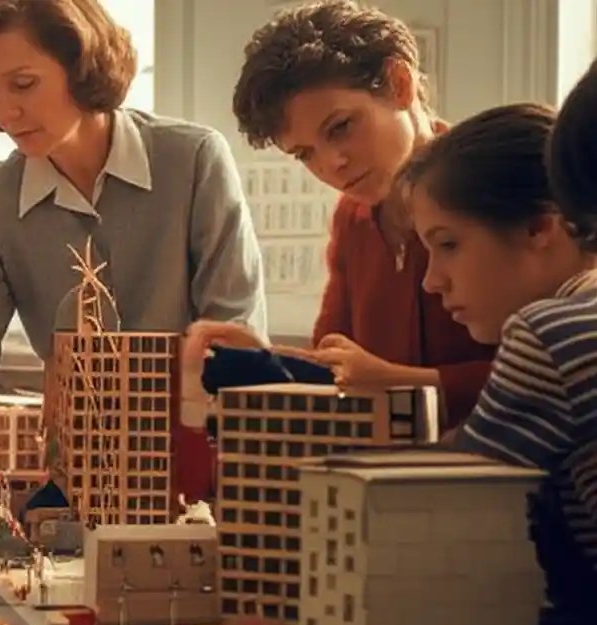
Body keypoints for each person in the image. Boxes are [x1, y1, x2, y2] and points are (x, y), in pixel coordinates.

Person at [0, 0, 266, 399]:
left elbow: (234, 329)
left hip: (196, 435)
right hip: (75, 448)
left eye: (23, 84)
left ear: (82, 66)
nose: (6, 113)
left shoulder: (193, 159)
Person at [191, 0, 494, 427]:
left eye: (340, 128)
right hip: (384, 480)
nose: (331, 164)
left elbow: (559, 371)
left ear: (399, 84)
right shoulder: (352, 219)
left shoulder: (498, 185)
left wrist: (397, 381)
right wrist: (259, 356)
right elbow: (333, 365)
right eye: (304, 154)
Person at [414, 85, 597, 625]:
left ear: (542, 227)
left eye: (448, 244)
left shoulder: (557, 333)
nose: (432, 281)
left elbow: (422, 516)